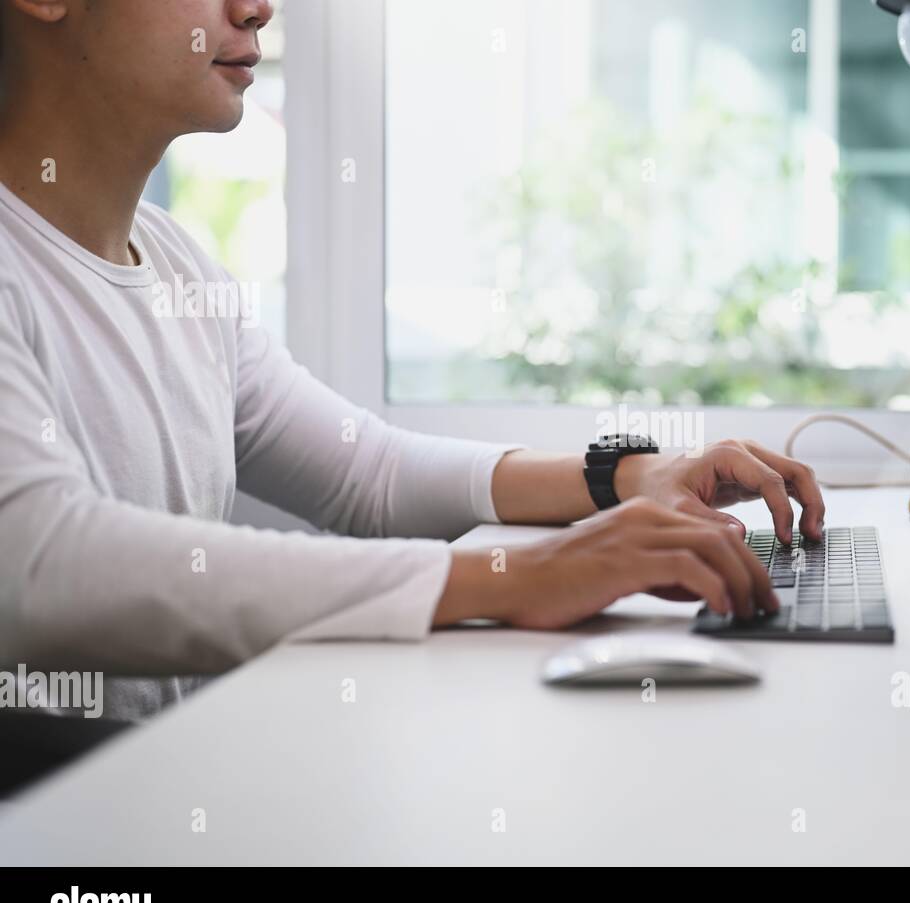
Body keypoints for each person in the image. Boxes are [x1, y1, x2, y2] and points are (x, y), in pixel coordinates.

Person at [0, 0, 826, 721]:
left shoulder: (178, 266)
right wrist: (519, 574)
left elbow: (371, 474)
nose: (256, 8)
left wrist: (628, 476)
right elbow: (45, 565)